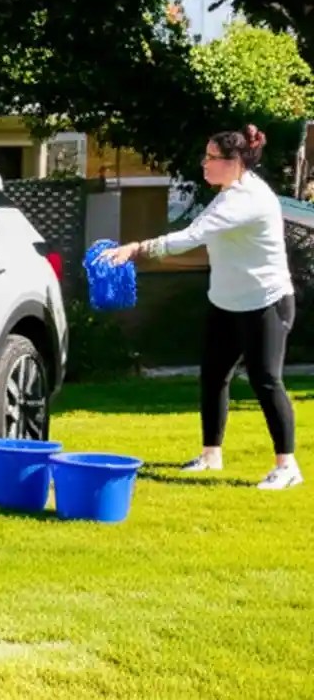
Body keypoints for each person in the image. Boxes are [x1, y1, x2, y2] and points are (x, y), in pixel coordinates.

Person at [101, 124, 301, 490]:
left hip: (265, 301)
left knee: (266, 380)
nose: (203, 163)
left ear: (235, 161)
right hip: (226, 302)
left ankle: (287, 466)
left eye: (212, 158)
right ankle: (211, 455)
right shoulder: (229, 193)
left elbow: (192, 236)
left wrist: (136, 248)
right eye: (205, 156)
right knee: (213, 376)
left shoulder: (247, 200)